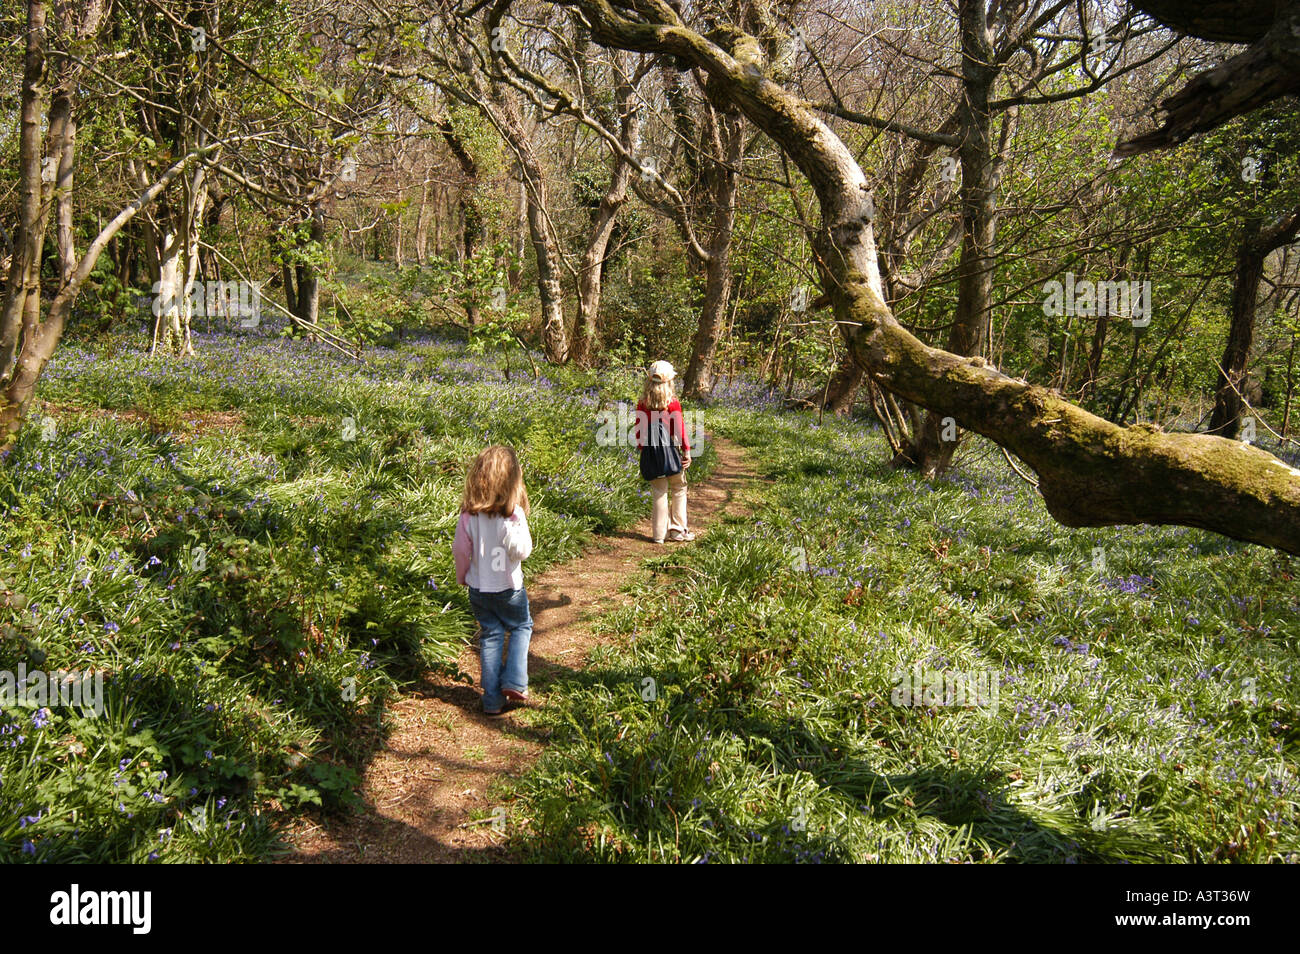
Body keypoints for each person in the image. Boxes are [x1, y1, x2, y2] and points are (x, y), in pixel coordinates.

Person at [453, 445, 534, 716]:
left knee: (491, 635)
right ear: (513, 482)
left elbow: (461, 550)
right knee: (521, 626)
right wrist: (510, 532)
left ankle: (491, 701)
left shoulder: (468, 515)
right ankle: (514, 681)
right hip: (509, 589)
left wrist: (462, 575)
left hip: (478, 589)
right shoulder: (513, 515)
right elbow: (522, 551)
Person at [636, 360, 694, 544]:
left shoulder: (642, 404)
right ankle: (677, 531)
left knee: (659, 491)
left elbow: (639, 431)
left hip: (651, 452)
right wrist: (686, 451)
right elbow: (679, 429)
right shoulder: (672, 403)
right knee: (678, 488)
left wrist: (644, 451)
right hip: (671, 452)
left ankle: (658, 535)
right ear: (670, 382)